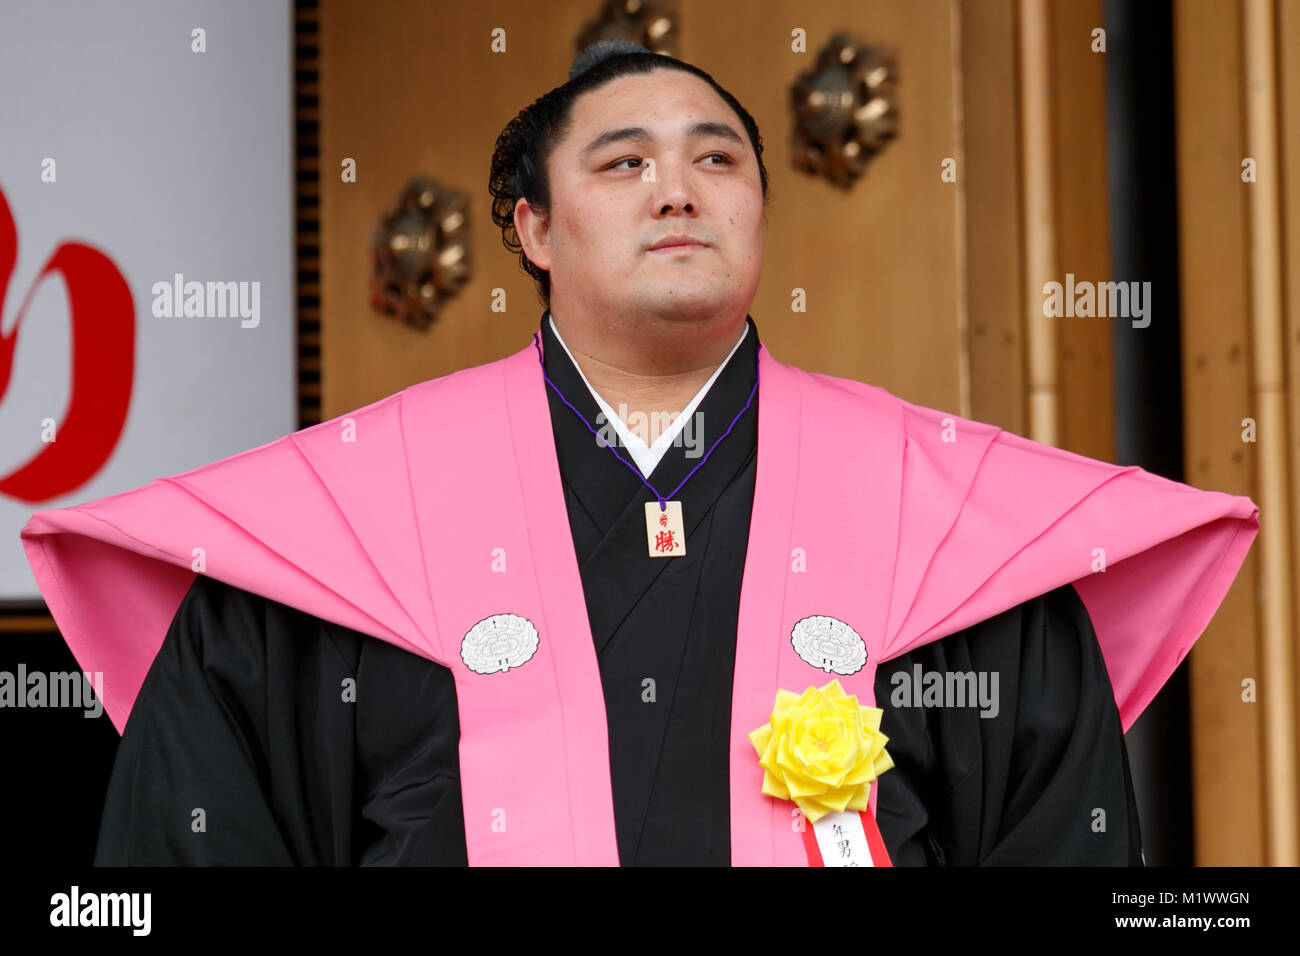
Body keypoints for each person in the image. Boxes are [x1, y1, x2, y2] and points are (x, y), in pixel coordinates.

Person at [22, 40, 1258, 867]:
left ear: (759, 212)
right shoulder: (332, 526)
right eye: (625, 163)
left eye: (717, 159)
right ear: (533, 226)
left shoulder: (947, 520)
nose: (680, 189)